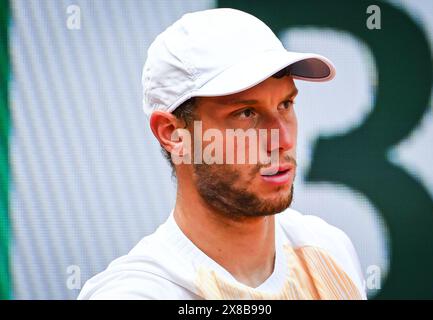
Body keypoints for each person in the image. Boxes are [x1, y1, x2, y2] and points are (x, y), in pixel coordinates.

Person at [78, 8, 367, 300]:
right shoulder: (136, 294)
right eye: (245, 113)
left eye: (285, 104)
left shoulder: (330, 249)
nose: (283, 138)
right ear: (171, 133)